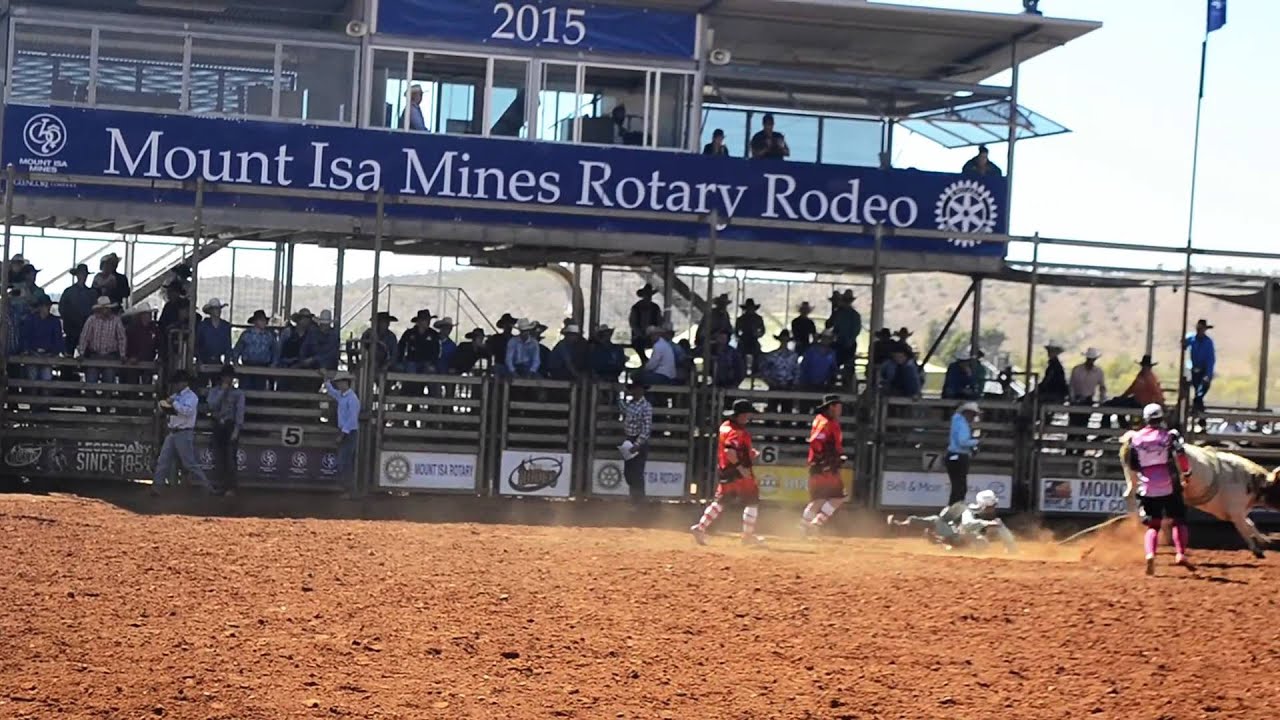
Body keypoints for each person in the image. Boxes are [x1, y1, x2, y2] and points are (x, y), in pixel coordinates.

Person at [1125, 403, 1193, 574]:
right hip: (1168, 483)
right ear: (1161, 418)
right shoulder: (1169, 436)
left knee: (1153, 525)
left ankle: (1150, 554)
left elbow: (1132, 463)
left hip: (1147, 486)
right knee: (1178, 519)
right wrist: (1187, 473)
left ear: (1146, 419)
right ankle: (1180, 553)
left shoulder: (1135, 439)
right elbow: (1181, 455)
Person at [690, 399, 763, 546]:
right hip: (738, 472)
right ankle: (747, 536)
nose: (749, 417)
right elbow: (730, 451)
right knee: (752, 502)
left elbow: (731, 450)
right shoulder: (736, 431)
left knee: (720, 502)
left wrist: (748, 453)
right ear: (742, 415)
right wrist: (741, 467)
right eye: (748, 414)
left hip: (726, 470)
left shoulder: (725, 427)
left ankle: (700, 527)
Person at [887, 489, 1016, 553]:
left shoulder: (994, 519)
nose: (993, 508)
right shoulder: (968, 511)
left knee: (981, 543)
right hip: (955, 534)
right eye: (991, 506)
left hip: (968, 543)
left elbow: (1006, 535)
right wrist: (987, 524)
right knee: (936, 520)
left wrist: (1011, 548)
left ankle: (940, 543)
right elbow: (967, 524)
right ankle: (903, 525)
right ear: (984, 505)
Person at [152, 370, 209, 495]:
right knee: (163, 460)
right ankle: (156, 487)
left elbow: (187, 411)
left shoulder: (191, 397)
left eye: (178, 382)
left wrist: (174, 404)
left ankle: (206, 488)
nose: (176, 385)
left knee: (189, 463)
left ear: (184, 383)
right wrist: (163, 404)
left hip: (184, 432)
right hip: (174, 431)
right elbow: (165, 409)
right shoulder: (176, 396)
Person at [802, 395, 846, 531]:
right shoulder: (826, 423)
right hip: (825, 467)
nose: (840, 409)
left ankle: (804, 527)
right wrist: (824, 460)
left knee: (819, 500)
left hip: (821, 466)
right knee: (837, 497)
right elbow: (816, 441)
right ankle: (815, 525)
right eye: (838, 406)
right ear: (831, 407)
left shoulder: (822, 420)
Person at [206, 365, 246, 497]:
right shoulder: (214, 391)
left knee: (230, 458)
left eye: (229, 377)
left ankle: (231, 487)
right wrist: (222, 392)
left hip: (230, 426)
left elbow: (239, 414)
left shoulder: (238, 394)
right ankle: (220, 485)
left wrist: (236, 430)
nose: (227, 379)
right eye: (225, 376)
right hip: (218, 424)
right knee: (218, 457)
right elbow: (211, 406)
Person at [325, 370, 361, 498]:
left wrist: (342, 434)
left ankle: (350, 490)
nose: (338, 385)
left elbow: (352, 419)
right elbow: (332, 392)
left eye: (340, 382)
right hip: (348, 432)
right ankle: (349, 490)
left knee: (344, 462)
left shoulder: (352, 399)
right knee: (345, 462)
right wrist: (326, 380)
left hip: (349, 432)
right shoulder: (345, 396)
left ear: (346, 382)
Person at [619, 376, 653, 504]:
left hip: (638, 441)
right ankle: (636, 500)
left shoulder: (646, 406)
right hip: (630, 440)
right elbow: (623, 409)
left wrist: (638, 444)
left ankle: (638, 501)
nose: (634, 391)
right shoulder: (632, 405)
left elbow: (646, 428)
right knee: (629, 473)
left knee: (636, 473)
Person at [77, 297, 126, 384]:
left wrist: (122, 354)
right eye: (104, 308)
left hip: (110, 356)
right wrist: (81, 352)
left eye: (107, 308)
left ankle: (107, 396)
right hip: (94, 355)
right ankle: (91, 395)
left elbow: (121, 338)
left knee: (109, 378)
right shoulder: (91, 320)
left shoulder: (116, 320)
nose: (105, 310)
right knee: (91, 379)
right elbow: (85, 337)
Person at [233, 310, 278, 391]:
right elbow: (237, 349)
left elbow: (275, 351)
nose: (264, 322)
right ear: (255, 321)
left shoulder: (270, 336)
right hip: (247, 366)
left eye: (264, 320)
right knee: (245, 390)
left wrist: (273, 364)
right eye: (261, 320)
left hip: (263, 367)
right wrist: (236, 363)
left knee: (260, 390)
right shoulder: (246, 334)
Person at [20, 297, 62, 381]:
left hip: (48, 355)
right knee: (32, 381)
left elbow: (58, 338)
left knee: (46, 380)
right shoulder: (30, 320)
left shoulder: (55, 321)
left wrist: (54, 352)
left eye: (49, 306)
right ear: (39, 307)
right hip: (32, 354)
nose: (48, 308)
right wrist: (26, 350)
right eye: (45, 306)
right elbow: (25, 336)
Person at [947, 401, 980, 505]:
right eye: (973, 414)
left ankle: (952, 510)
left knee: (957, 487)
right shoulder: (963, 424)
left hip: (953, 455)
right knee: (960, 488)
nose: (973, 417)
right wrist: (976, 441)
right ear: (968, 413)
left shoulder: (956, 421)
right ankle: (956, 511)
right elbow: (962, 442)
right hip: (959, 456)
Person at [1069, 347, 1107, 438]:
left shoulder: (1098, 372)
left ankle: (1079, 449)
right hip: (1076, 400)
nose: (1090, 361)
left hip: (1087, 400)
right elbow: (1071, 386)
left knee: (1083, 425)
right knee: (1073, 426)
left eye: (1092, 359)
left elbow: (1102, 387)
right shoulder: (1077, 370)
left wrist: (1102, 399)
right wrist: (1072, 398)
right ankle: (1070, 448)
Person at [60, 264, 96, 354]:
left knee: (87, 355)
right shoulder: (69, 292)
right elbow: (62, 309)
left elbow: (94, 310)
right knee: (69, 355)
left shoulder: (91, 293)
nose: (83, 276)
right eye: (82, 274)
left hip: (86, 328)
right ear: (77, 275)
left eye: (85, 274)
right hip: (71, 328)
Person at [122, 302, 159, 386]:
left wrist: (160, 356)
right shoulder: (131, 330)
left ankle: (146, 396)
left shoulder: (154, 328)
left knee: (147, 379)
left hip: (149, 360)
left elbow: (159, 344)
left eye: (149, 314)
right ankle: (132, 395)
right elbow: (128, 345)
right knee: (132, 378)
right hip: (133, 360)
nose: (148, 317)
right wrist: (131, 356)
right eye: (145, 314)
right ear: (139, 316)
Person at [825, 290, 861, 375]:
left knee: (848, 367)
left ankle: (847, 384)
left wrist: (848, 341)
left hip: (848, 343)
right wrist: (833, 312)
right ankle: (831, 381)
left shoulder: (854, 315)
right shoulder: (838, 313)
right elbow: (828, 325)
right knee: (832, 364)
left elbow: (856, 330)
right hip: (838, 342)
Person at [1184, 319, 1215, 415]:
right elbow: (1184, 343)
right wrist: (1184, 343)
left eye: (1201, 329)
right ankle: (1198, 409)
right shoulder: (1191, 338)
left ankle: (1196, 407)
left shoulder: (1208, 342)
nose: (1199, 331)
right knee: (1196, 389)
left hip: (1203, 370)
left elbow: (1210, 359)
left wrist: (1208, 374)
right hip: (1194, 369)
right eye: (1198, 329)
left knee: (1202, 388)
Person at [398, 309, 441, 374]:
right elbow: (401, 347)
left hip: (427, 363)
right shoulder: (409, 333)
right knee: (410, 369)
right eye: (425, 320)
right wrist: (401, 360)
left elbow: (437, 350)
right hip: (411, 361)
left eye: (429, 320)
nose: (428, 322)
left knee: (431, 370)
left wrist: (432, 362)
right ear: (419, 321)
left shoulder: (433, 334)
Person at [629, 284, 663, 363]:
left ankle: (655, 362)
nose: (648, 297)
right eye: (646, 294)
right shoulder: (636, 307)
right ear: (643, 295)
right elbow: (633, 324)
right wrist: (640, 333)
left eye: (649, 295)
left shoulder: (655, 307)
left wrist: (654, 332)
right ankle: (645, 361)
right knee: (637, 343)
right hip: (639, 336)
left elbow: (659, 322)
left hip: (653, 335)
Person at [196, 298, 233, 370]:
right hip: (204, 361)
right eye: (215, 309)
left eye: (219, 309)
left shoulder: (226, 326)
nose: (218, 311)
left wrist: (227, 361)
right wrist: (199, 360)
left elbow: (228, 345)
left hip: (218, 361)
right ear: (210, 311)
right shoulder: (202, 326)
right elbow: (197, 344)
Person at [734, 298, 766, 373]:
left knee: (758, 356)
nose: (750, 310)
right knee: (740, 356)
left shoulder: (758, 318)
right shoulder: (741, 319)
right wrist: (740, 337)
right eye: (749, 308)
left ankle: (756, 371)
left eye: (751, 308)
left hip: (754, 339)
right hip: (744, 340)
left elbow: (763, 330)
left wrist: (758, 335)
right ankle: (741, 371)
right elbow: (736, 331)